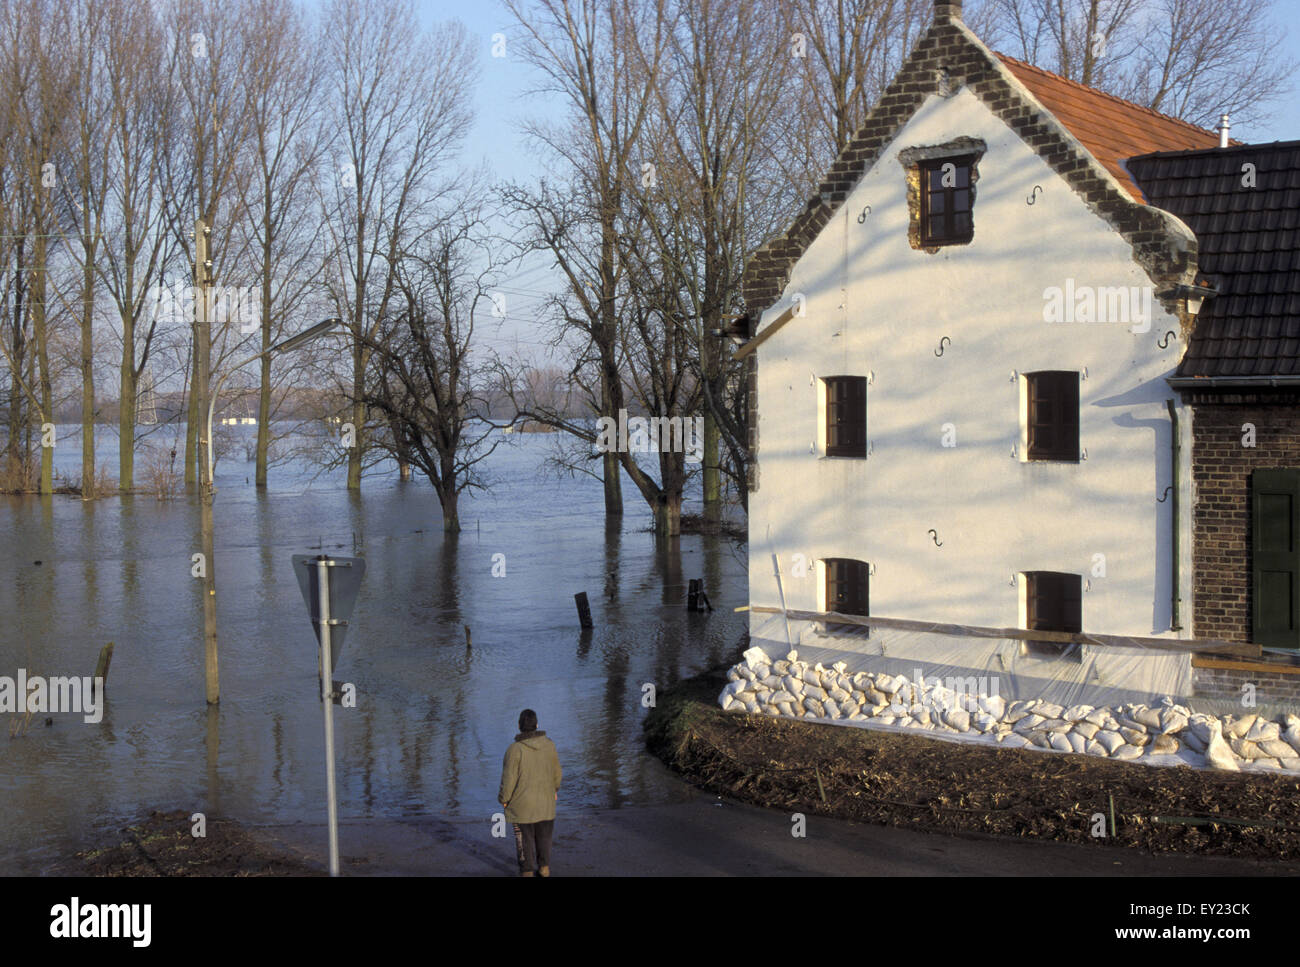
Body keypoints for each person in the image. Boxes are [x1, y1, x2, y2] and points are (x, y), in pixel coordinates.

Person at [498, 708, 562, 877]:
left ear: (519, 726)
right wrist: (555, 789)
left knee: (524, 839)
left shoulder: (514, 750)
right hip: (546, 801)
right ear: (537, 725)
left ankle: (527, 871)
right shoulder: (550, 745)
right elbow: (557, 772)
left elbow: (508, 779)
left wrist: (504, 799)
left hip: (522, 804)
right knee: (544, 837)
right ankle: (544, 868)